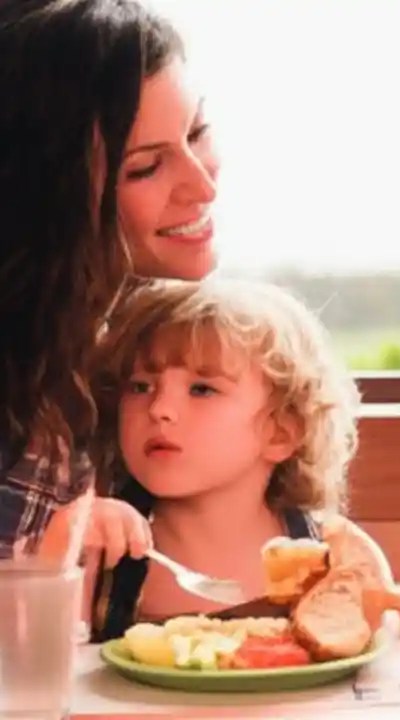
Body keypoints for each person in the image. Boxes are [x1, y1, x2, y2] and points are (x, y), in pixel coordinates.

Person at [38, 278, 382, 640]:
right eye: (140, 386)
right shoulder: (99, 551)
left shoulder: (339, 557)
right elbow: (38, 663)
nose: (160, 409)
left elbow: (382, 656)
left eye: (201, 389)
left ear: (281, 432)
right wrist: (60, 547)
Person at [0, 0, 220, 558]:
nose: (202, 187)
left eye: (196, 133)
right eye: (145, 167)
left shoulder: (121, 334)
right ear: (55, 197)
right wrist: (55, 549)